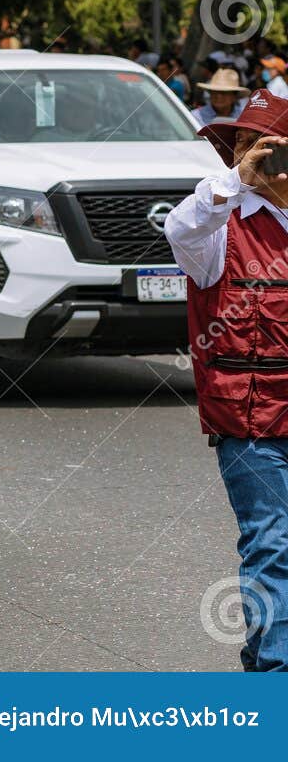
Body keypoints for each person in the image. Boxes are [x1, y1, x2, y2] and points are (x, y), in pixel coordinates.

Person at [168, 88, 288, 671]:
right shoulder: (217, 231)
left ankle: (263, 652)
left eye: (267, 146)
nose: (251, 154)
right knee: (271, 542)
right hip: (252, 425)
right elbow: (180, 228)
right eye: (242, 144)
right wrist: (235, 181)